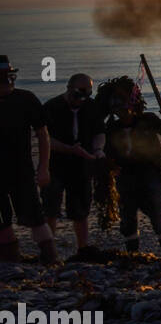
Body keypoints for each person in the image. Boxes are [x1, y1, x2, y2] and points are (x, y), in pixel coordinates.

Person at [102, 77, 161, 256]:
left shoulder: (148, 120)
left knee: (158, 213)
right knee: (127, 217)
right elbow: (106, 153)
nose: (120, 107)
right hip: (124, 176)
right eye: (115, 103)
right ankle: (133, 254)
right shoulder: (111, 128)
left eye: (123, 101)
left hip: (150, 174)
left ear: (133, 102)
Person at [0, 55, 58, 265]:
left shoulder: (26, 99)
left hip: (21, 169)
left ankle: (51, 260)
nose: (7, 81)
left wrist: (44, 167)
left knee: (36, 217)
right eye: (2, 77)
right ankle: (11, 264)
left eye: (9, 76)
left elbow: (43, 134)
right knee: (2, 222)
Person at [42, 73, 106, 257]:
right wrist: (69, 149)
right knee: (50, 208)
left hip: (81, 166)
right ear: (69, 88)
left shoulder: (92, 107)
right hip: (55, 164)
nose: (81, 99)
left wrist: (98, 150)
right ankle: (49, 250)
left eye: (86, 95)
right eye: (78, 94)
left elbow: (99, 132)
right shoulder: (52, 107)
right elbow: (45, 139)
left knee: (81, 209)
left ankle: (82, 248)